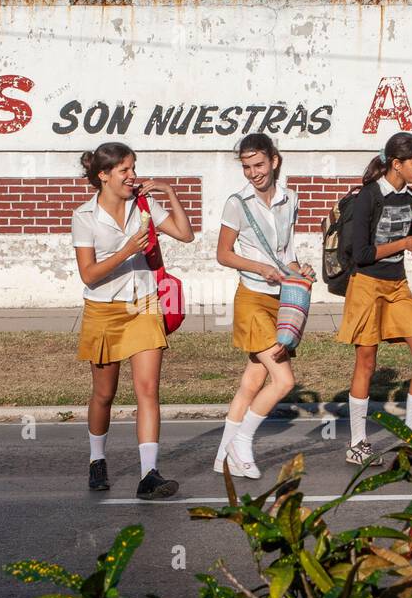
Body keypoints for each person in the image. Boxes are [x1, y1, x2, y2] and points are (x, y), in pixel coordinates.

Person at [71, 142, 195, 499]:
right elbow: (88, 274)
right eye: (124, 170)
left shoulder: (143, 205)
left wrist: (169, 193)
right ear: (104, 175)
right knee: (104, 394)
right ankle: (97, 460)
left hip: (144, 305)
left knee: (148, 390)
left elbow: (185, 235)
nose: (132, 176)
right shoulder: (84, 216)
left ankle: (148, 474)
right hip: (104, 310)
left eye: (133, 168)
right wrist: (127, 250)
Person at [337, 132, 412, 466]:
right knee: (367, 363)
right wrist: (402, 244)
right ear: (396, 164)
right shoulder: (368, 198)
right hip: (367, 286)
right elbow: (362, 254)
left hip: (397, 286)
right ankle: (358, 444)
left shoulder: (410, 197)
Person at [213, 133, 315, 478]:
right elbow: (223, 253)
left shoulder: (291, 199)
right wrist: (261, 268)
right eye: (246, 167)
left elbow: (286, 251)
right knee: (284, 381)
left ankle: (222, 458)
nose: (253, 173)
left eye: (258, 164)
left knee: (252, 381)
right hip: (253, 300)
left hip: (281, 300)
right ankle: (241, 442)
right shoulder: (237, 203)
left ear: (274, 160)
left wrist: (299, 268)